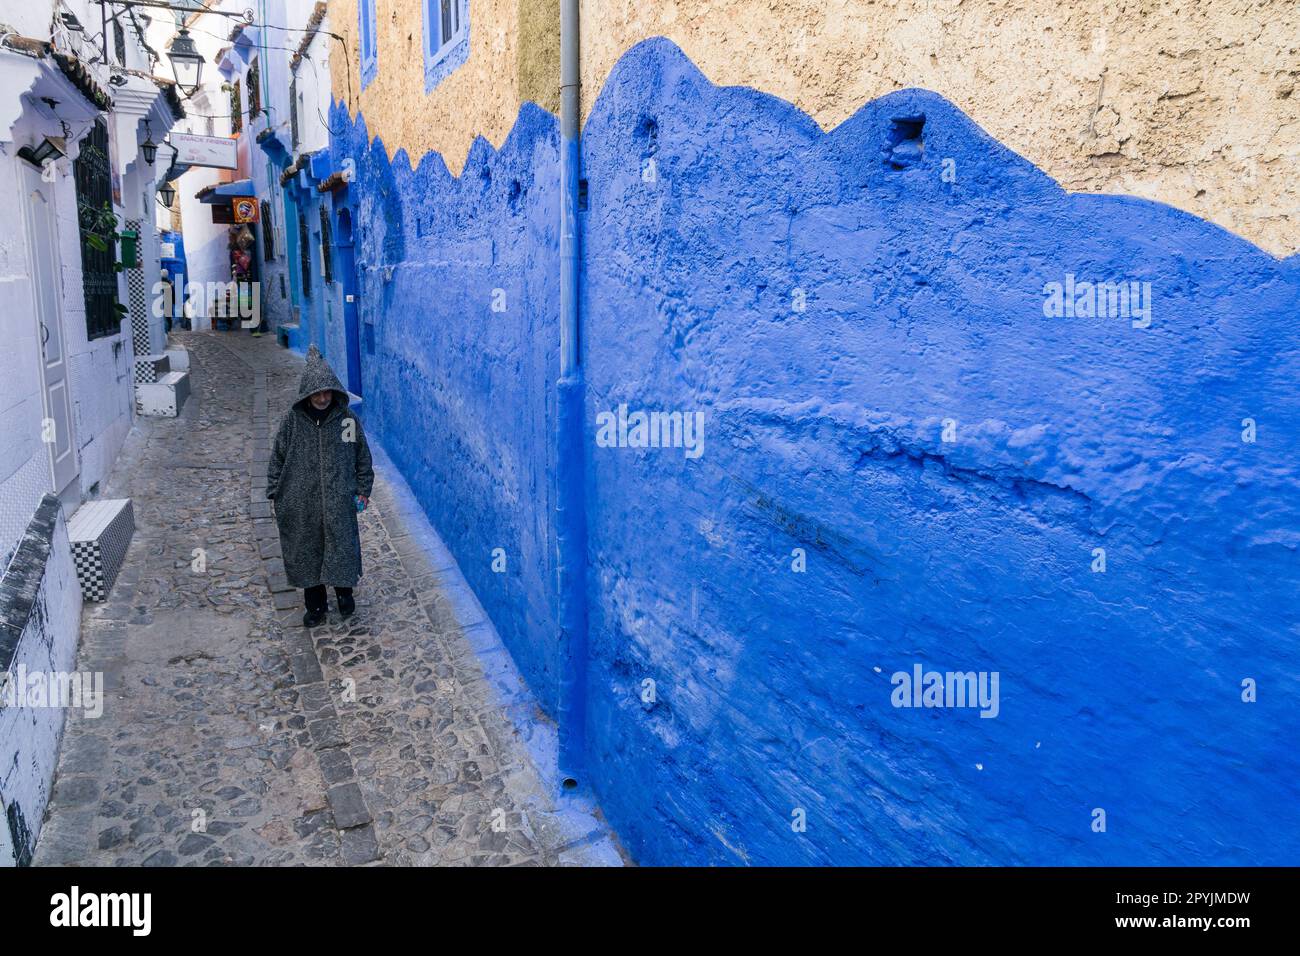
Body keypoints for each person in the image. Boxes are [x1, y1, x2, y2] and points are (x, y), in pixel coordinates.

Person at [266, 346, 374, 627]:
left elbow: (361, 455)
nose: (323, 398)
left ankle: (344, 595)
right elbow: (278, 456)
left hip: (339, 499)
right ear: (306, 394)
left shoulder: (347, 421)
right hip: (301, 502)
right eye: (317, 393)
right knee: (307, 552)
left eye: (327, 392)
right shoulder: (292, 422)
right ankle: (315, 607)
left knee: (341, 549)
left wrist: (363, 488)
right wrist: (274, 491)